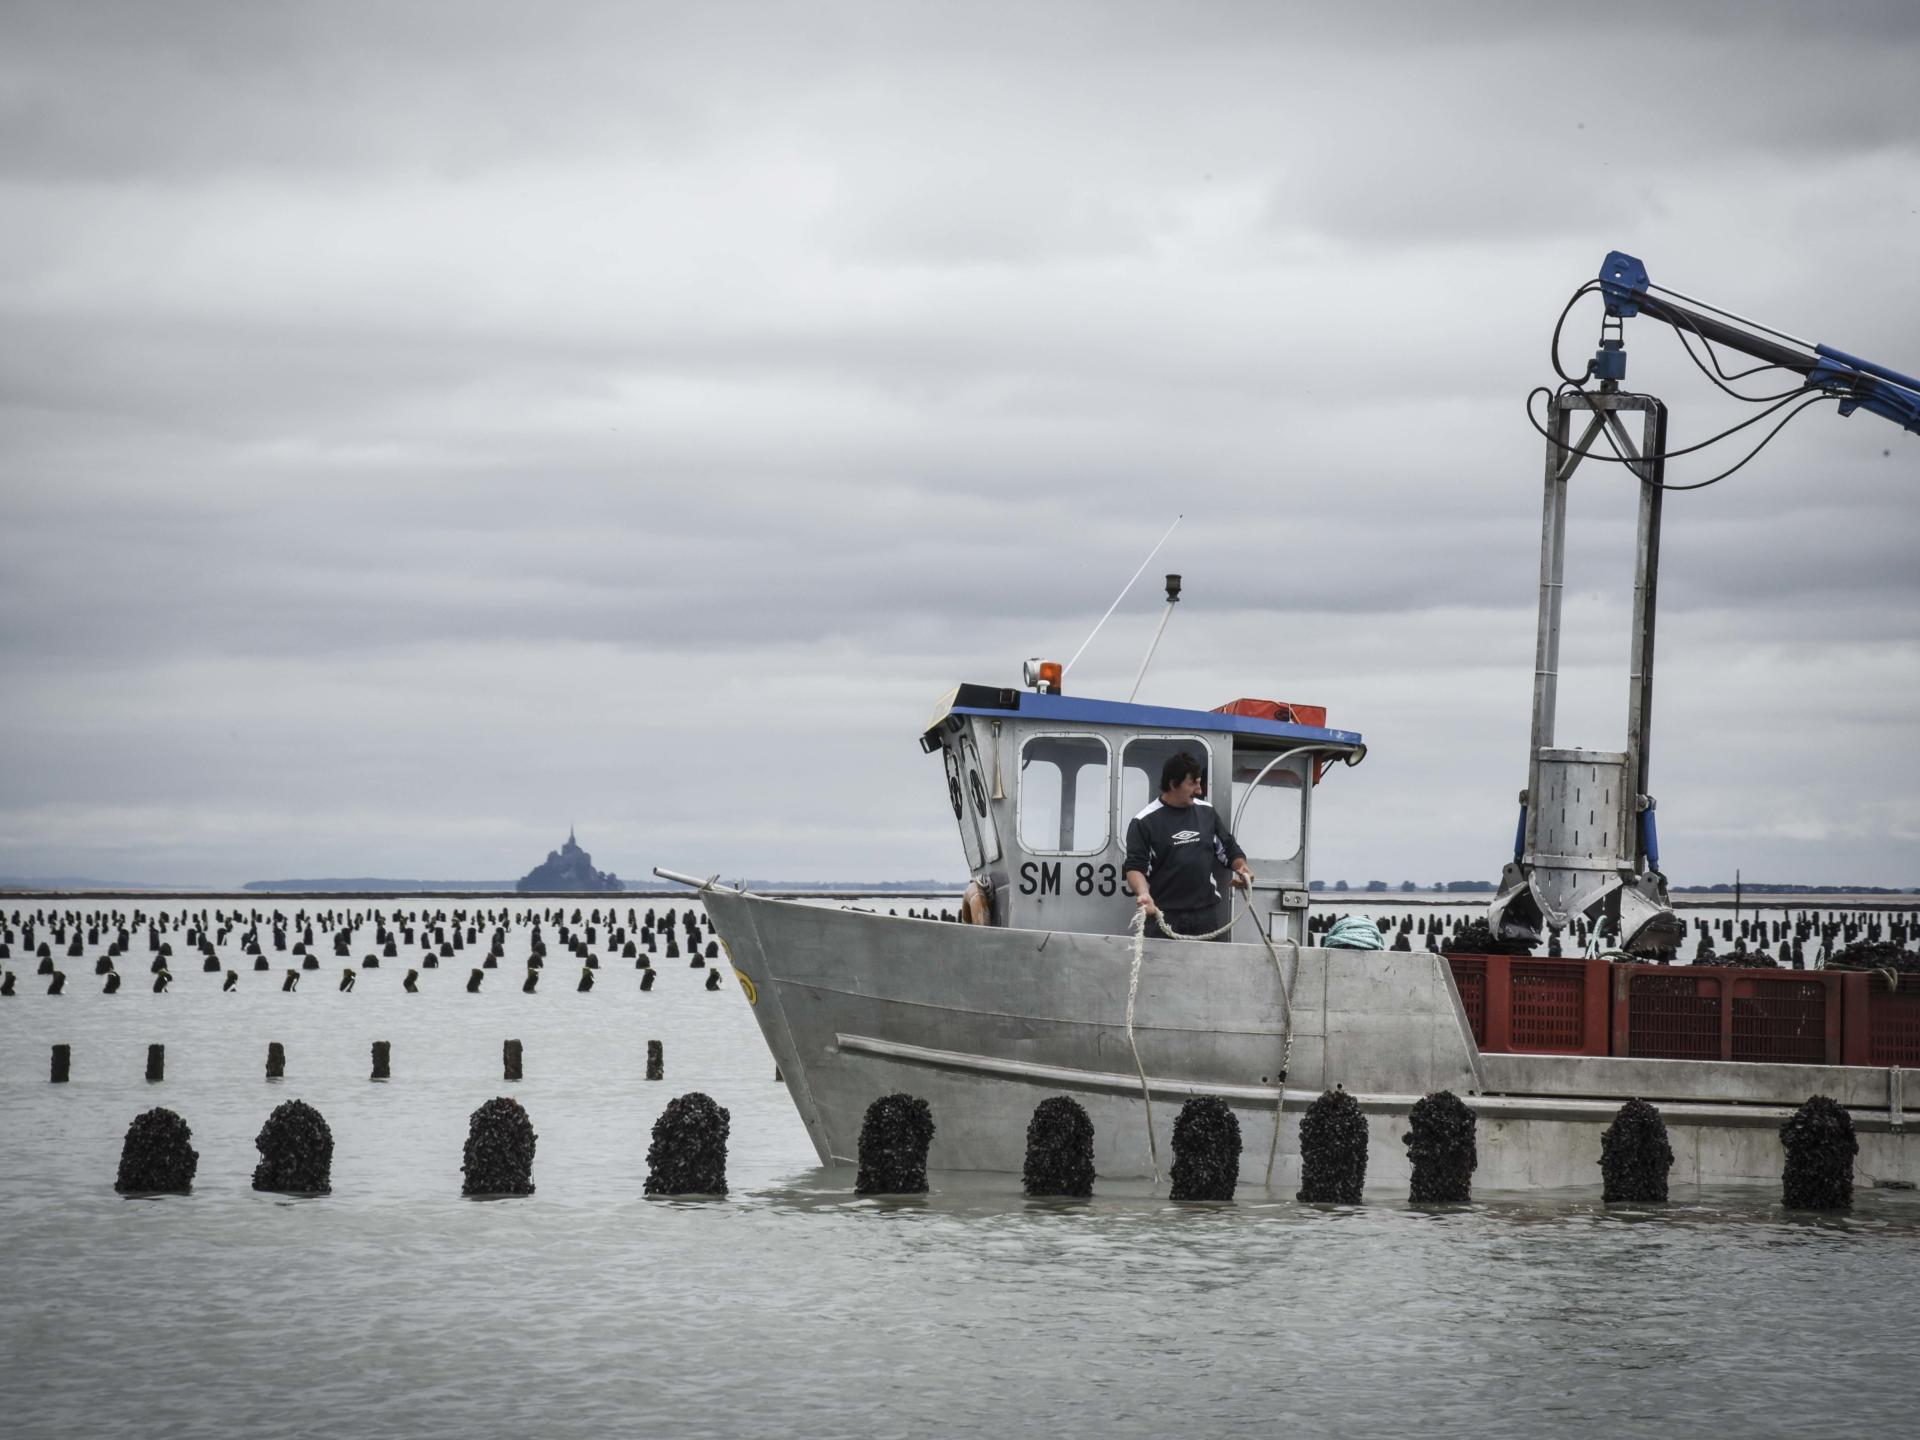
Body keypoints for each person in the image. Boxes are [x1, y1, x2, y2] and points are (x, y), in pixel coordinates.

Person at [1122, 751, 1253, 941]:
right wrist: (1143, 895)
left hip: (1205, 915)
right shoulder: (1144, 821)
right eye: (1193, 784)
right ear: (1173, 784)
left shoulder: (1206, 812)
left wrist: (1242, 868)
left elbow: (1228, 848)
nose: (1199, 790)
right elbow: (1135, 868)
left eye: (1199, 783)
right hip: (1163, 915)